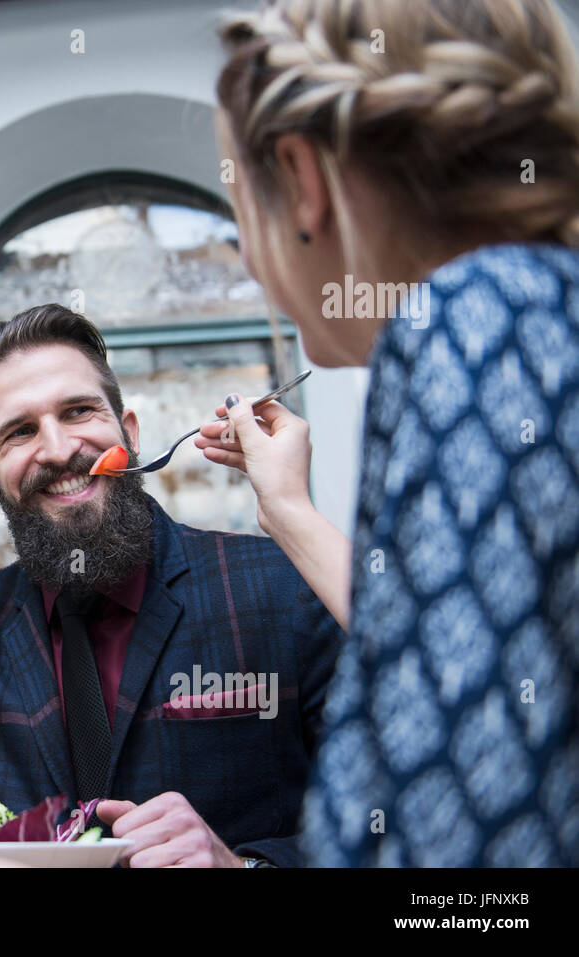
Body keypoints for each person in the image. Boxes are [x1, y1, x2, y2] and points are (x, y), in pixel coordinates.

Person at [190, 0, 579, 866]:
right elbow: (472, 656)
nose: (252, 263)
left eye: (236, 210)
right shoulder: (542, 312)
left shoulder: (481, 319)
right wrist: (286, 504)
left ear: (301, 181)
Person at [0, 303, 344, 868]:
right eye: (19, 432)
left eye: (78, 411)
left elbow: (395, 818)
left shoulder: (284, 584)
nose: (56, 449)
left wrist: (243, 866)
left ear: (127, 433)